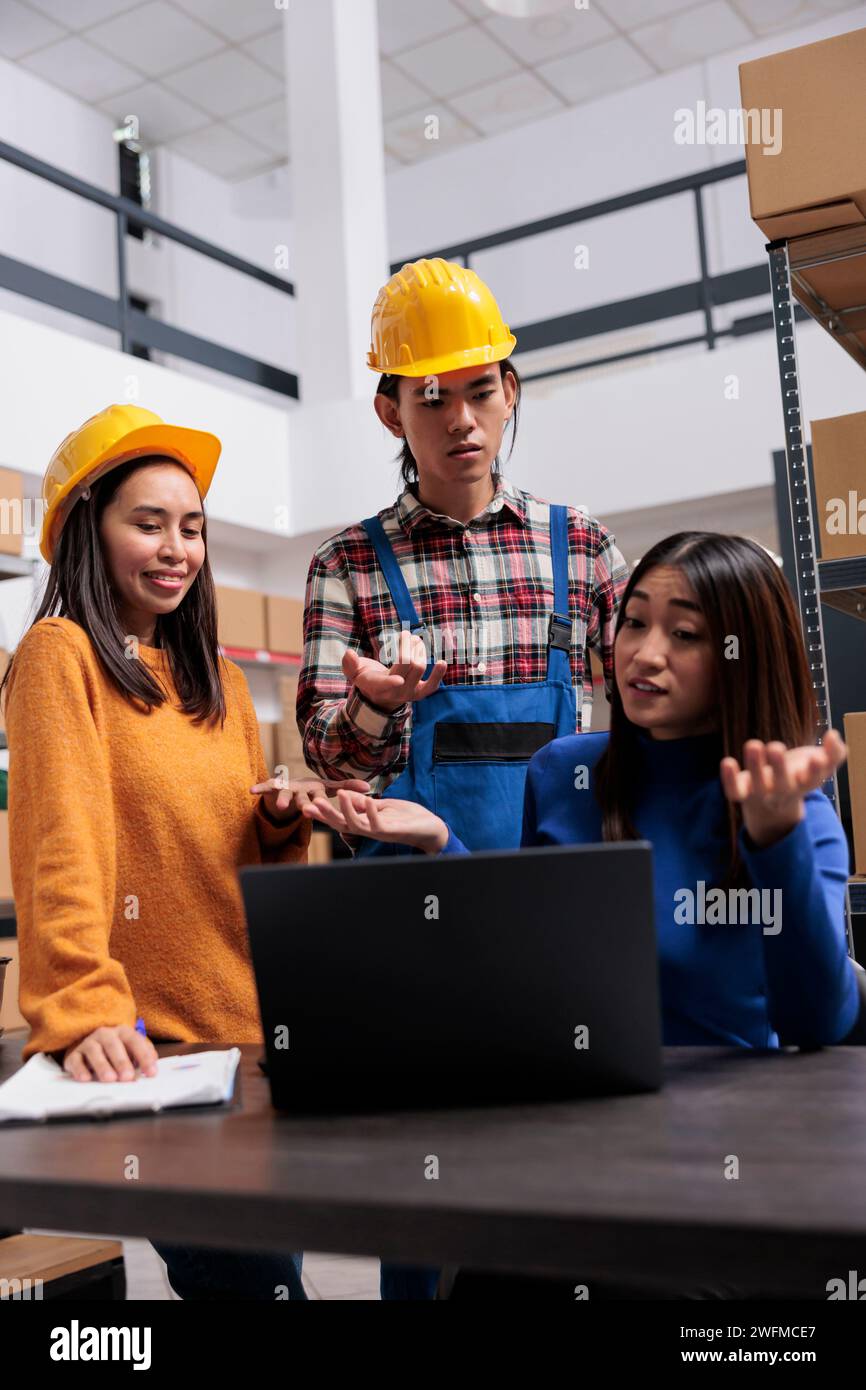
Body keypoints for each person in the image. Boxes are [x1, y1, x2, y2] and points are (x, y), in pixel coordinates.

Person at [302, 531, 860, 1297]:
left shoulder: (791, 801)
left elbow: (817, 1024)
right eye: (634, 622)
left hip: (721, 1171)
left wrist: (777, 840)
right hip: (575, 1150)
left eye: (686, 633)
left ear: (743, 654)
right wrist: (442, 842)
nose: (644, 653)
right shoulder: (565, 773)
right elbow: (536, 972)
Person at [297, 257, 629, 1297]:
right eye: (428, 396)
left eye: (479, 388)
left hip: (558, 932)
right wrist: (373, 706)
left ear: (511, 389)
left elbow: (645, 727)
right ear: (390, 410)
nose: (459, 420)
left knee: (573, 1210)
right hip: (415, 949)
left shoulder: (581, 549)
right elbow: (330, 762)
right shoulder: (345, 569)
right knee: (427, 1227)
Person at [3, 404, 370, 1301]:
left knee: (265, 1281)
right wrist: (85, 1006)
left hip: (245, 1040)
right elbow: (61, 842)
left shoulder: (225, 683)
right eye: (148, 523)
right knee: (255, 1287)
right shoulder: (61, 658)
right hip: (152, 1046)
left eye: (192, 527)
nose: (177, 548)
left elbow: (248, 870)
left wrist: (283, 822)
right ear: (90, 529)